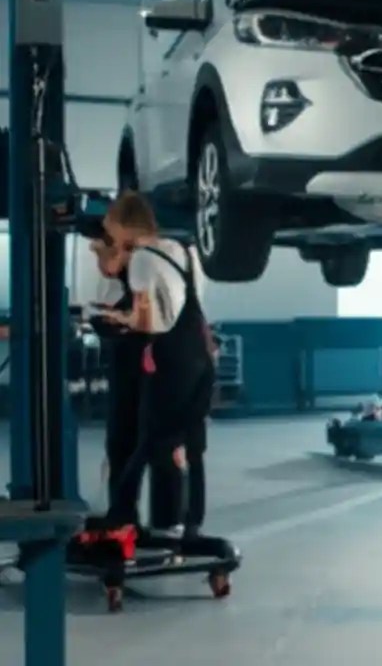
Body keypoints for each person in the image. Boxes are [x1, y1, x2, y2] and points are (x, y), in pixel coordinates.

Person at [99, 192, 216, 538]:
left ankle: (121, 519)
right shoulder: (186, 253)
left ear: (125, 229)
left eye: (110, 233)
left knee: (142, 442)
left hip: (167, 360)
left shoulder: (141, 261)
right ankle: (184, 524)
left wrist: (114, 317)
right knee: (188, 445)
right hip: (200, 359)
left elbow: (148, 320)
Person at [88, 237, 185, 532]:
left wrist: (119, 319)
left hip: (154, 371)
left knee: (158, 446)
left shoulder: (149, 270)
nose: (102, 268)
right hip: (129, 373)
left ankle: (167, 522)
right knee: (122, 445)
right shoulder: (127, 279)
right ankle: (125, 516)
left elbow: (150, 319)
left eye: (103, 259)